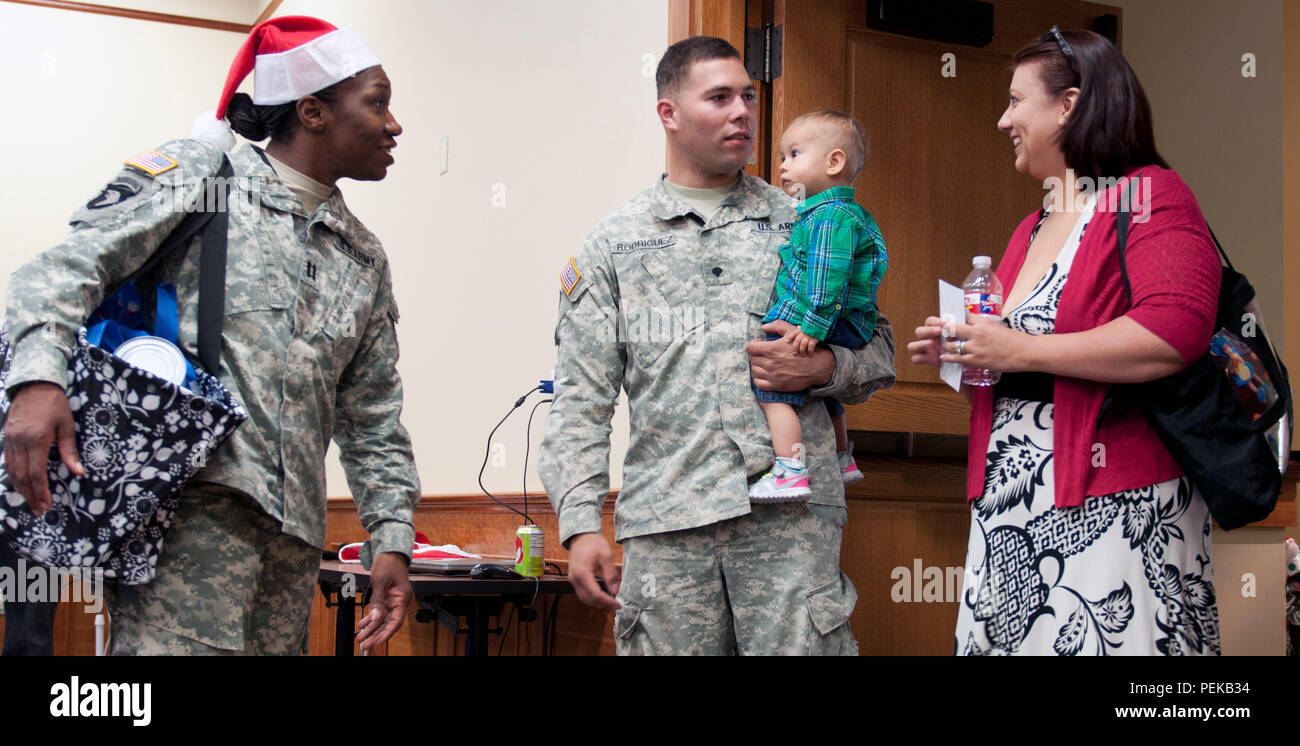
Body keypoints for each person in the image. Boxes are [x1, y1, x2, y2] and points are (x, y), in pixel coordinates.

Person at [2, 16, 420, 654]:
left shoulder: (363, 256)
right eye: (378, 103)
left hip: (292, 539)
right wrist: (36, 379)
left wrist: (391, 536)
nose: (394, 125)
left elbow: (372, 414)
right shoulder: (205, 177)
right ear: (312, 111)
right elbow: (61, 272)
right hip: (187, 515)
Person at [538, 36, 895, 655]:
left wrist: (824, 367)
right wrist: (578, 524)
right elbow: (580, 400)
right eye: (720, 97)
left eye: (749, 97)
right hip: (668, 526)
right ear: (668, 113)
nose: (743, 113)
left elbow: (881, 351)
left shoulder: (807, 221)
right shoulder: (612, 246)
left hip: (791, 530)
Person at [908, 27, 1222, 655]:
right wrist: (968, 348)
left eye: (1015, 100)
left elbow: (1172, 333)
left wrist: (1016, 350)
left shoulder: (1152, 196)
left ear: (1069, 105)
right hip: (1013, 508)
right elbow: (1014, 348)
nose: (1003, 120)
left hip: (1115, 501)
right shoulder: (1034, 223)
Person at [748, 109, 886, 502]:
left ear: (834, 162)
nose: (782, 166)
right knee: (826, 394)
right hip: (839, 321)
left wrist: (810, 326)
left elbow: (827, 279)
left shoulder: (827, 217)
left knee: (770, 385)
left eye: (793, 154)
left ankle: (790, 470)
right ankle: (842, 459)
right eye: (782, 157)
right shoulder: (831, 215)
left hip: (825, 317)